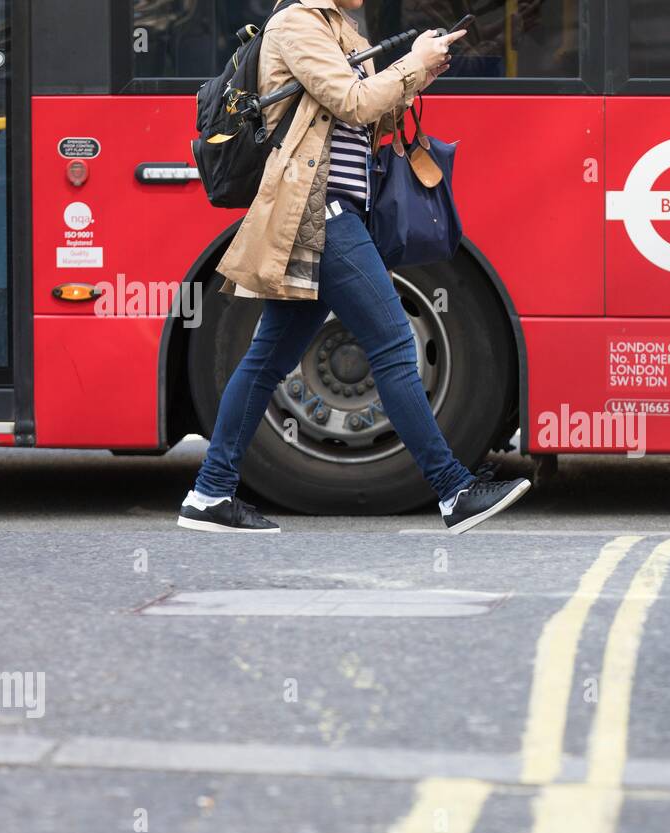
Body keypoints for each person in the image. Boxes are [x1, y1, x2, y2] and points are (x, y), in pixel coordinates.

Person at [178, 0, 529, 534]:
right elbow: (353, 101)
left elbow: (373, 118)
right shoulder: (296, 23)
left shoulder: (339, 27)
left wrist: (422, 69)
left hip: (335, 210)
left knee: (267, 361)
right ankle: (453, 490)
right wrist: (408, 64)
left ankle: (210, 493)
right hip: (321, 212)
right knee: (391, 342)